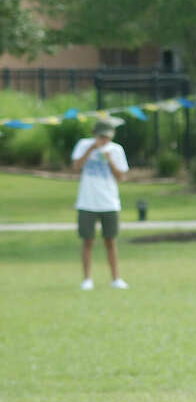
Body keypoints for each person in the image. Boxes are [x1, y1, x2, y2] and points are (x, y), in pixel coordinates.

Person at [71, 119, 130, 290]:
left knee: (110, 241)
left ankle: (116, 278)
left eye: (107, 137)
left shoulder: (116, 150)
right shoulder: (83, 145)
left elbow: (121, 177)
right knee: (87, 241)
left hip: (109, 202)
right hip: (87, 202)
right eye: (101, 137)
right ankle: (87, 279)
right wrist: (91, 150)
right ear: (94, 134)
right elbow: (75, 166)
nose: (104, 140)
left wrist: (110, 161)